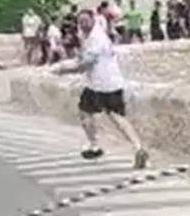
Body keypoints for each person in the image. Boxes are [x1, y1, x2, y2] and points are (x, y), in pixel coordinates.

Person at [52, 10, 149, 169]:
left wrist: (63, 70)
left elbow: (85, 64)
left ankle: (96, 145)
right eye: (80, 21)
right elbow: (83, 58)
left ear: (93, 20)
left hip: (101, 84)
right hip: (108, 82)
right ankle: (136, 147)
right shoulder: (91, 36)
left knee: (92, 112)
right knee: (111, 115)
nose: (82, 24)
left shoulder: (96, 39)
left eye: (85, 21)